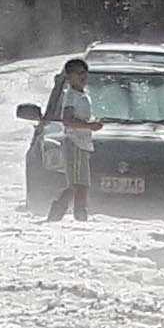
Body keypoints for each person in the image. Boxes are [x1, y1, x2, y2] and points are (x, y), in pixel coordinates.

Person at [44, 57, 104, 223]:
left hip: (83, 144)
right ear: (69, 77)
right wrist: (89, 126)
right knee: (77, 184)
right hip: (74, 143)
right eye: (78, 73)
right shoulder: (71, 96)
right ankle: (61, 210)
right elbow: (68, 120)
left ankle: (79, 213)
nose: (83, 76)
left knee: (82, 184)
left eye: (84, 73)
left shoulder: (83, 95)